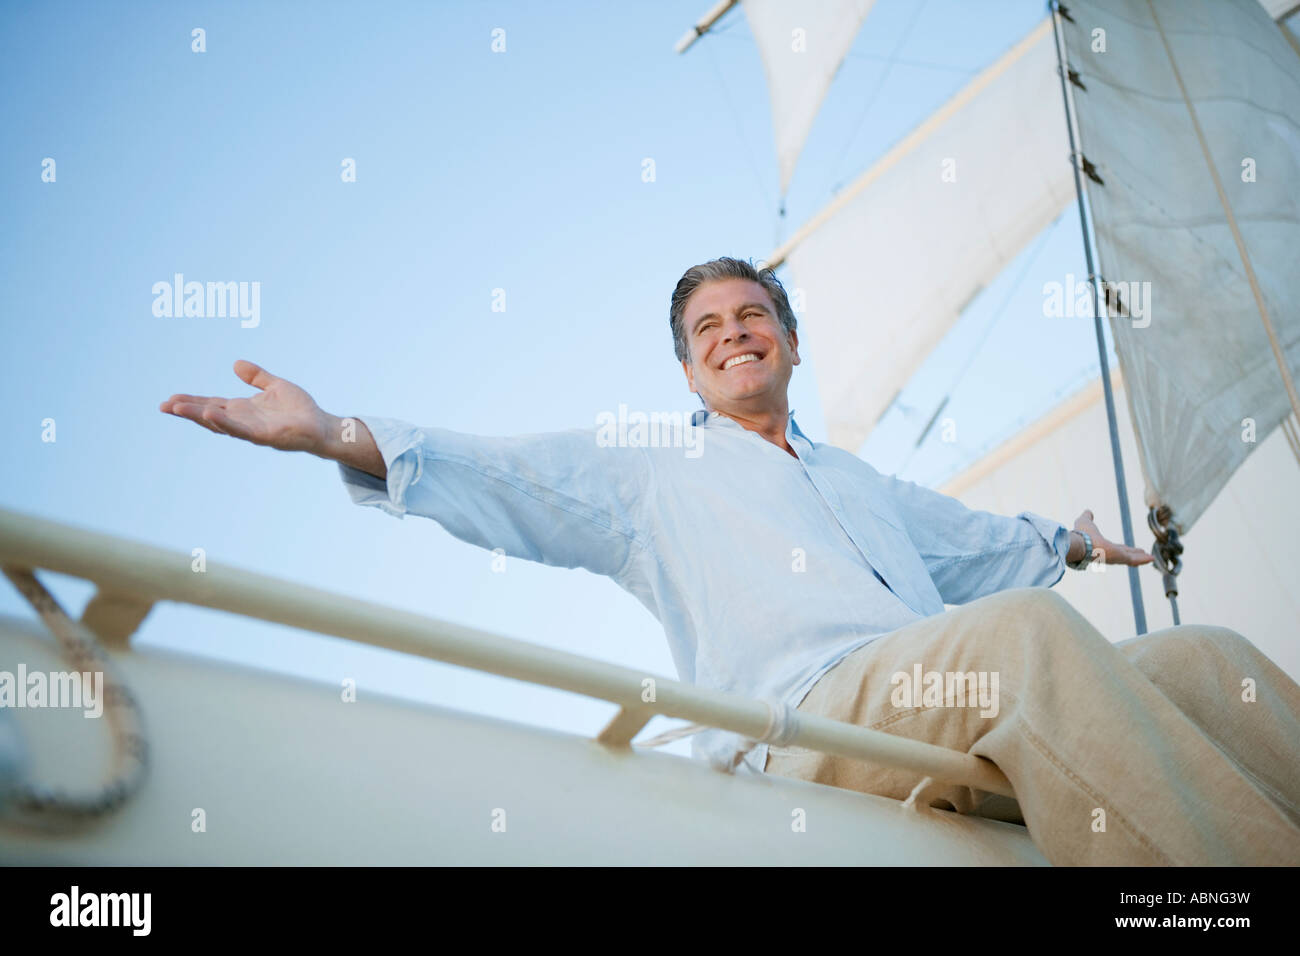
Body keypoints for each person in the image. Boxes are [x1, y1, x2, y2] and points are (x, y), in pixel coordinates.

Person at [160, 256, 1300, 865]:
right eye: (707, 329)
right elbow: (497, 470)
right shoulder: (655, 464)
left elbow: (981, 542)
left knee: (1206, 659)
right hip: (803, 726)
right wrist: (331, 432)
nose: (733, 334)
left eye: (752, 315)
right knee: (1018, 641)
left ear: (790, 343)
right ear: (690, 370)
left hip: (931, 695)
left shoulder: (859, 480)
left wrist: (1073, 542)